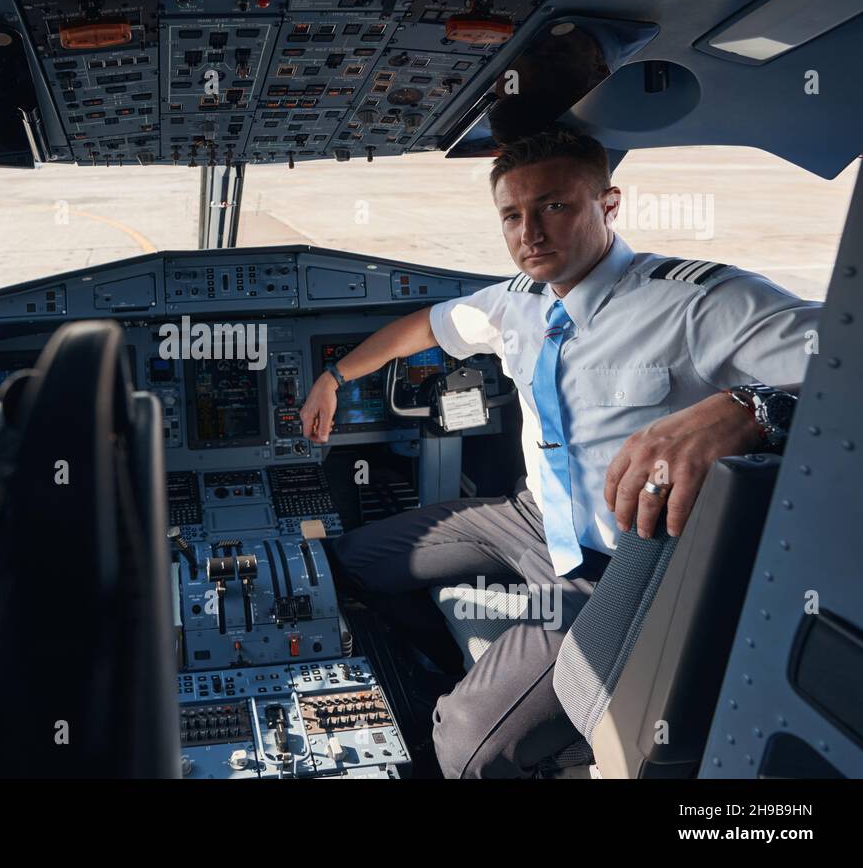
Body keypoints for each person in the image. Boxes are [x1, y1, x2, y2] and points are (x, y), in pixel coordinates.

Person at [298, 128, 819, 778]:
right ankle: (446, 669)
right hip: (531, 519)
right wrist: (336, 378)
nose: (530, 234)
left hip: (615, 566)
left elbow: (842, 357)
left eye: (555, 207)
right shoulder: (515, 302)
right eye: (513, 215)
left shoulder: (698, 304)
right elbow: (424, 328)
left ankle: (538, 742)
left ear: (609, 205)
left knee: (464, 747)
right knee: (344, 565)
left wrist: (751, 407)